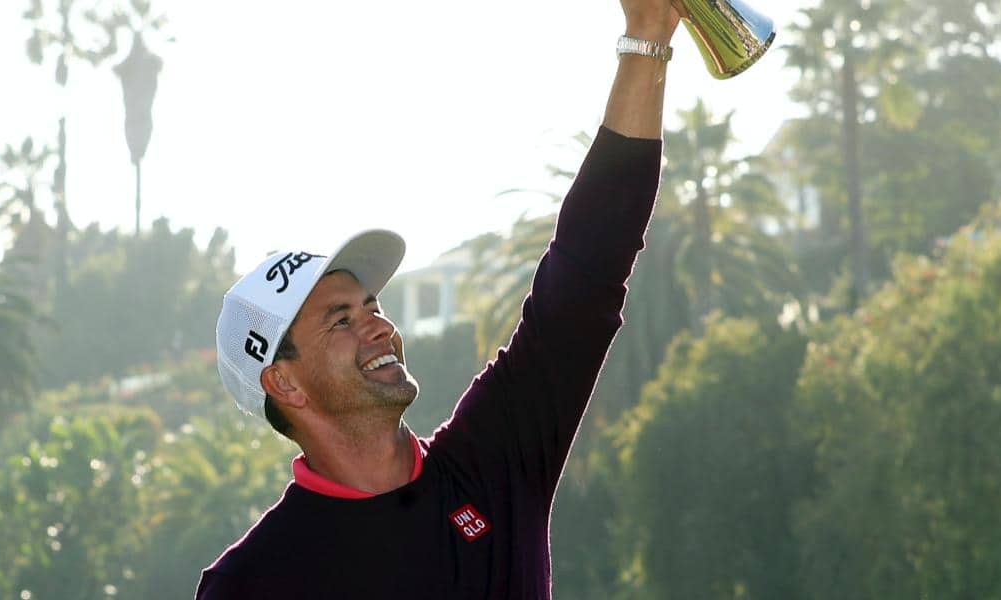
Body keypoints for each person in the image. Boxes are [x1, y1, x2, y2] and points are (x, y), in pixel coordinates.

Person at [198, 0, 682, 596]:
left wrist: (648, 33)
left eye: (372, 306)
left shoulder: (494, 456)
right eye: (340, 320)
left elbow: (586, 275)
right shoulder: (252, 583)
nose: (378, 326)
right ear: (286, 385)